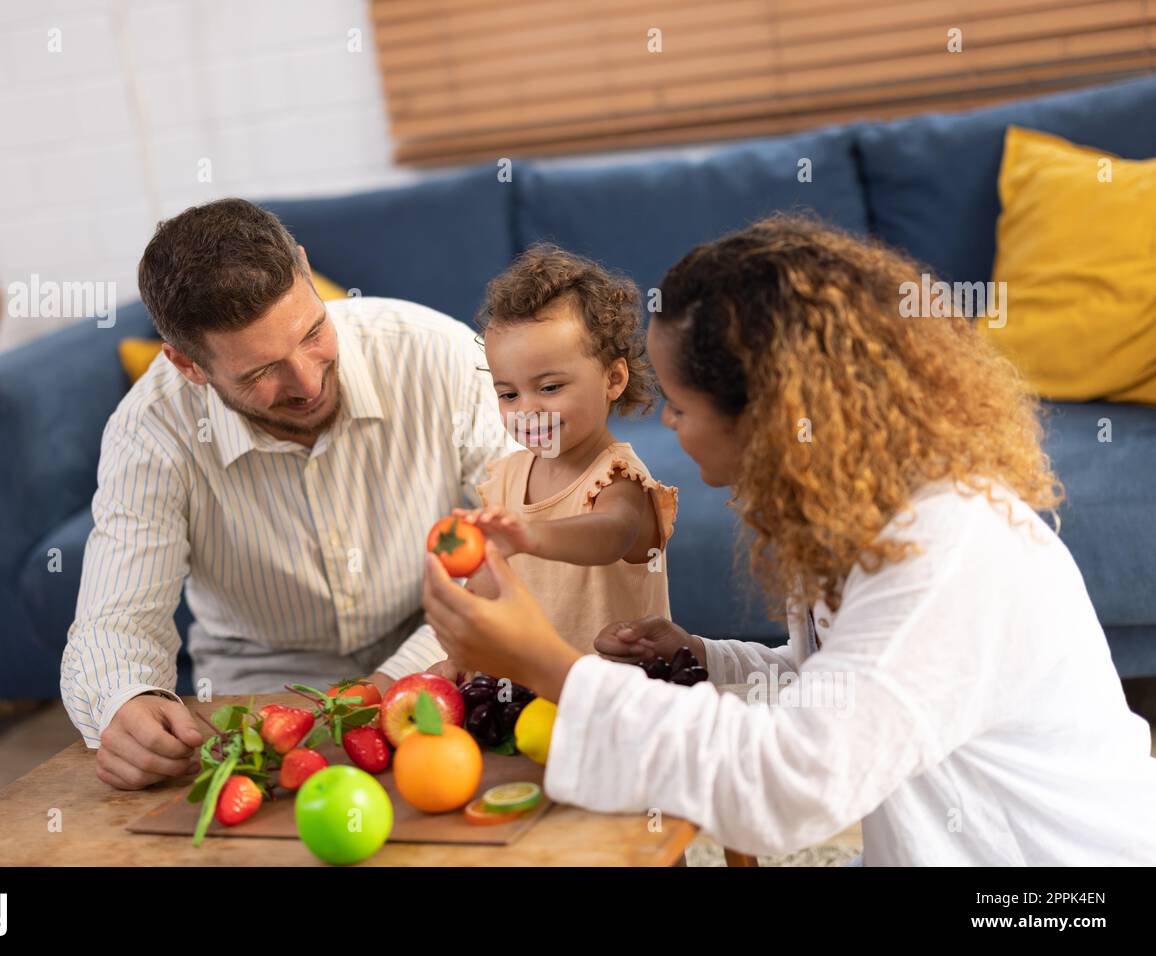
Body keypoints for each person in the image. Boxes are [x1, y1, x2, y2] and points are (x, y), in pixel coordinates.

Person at [422, 214, 1156, 864]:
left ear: (772, 417)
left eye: (679, 404)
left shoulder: (945, 555)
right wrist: (703, 657)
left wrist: (548, 666)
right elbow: (844, 686)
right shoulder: (864, 517)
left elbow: (793, 787)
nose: (668, 426)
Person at [60, 198, 517, 790]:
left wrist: (398, 677)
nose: (307, 381)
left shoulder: (438, 356)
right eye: (258, 372)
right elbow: (114, 620)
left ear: (305, 269)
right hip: (258, 689)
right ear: (186, 364)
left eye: (312, 333)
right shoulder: (149, 431)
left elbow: (518, 546)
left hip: (435, 647)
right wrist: (125, 700)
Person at [433, 245, 677, 678]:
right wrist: (460, 656)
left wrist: (527, 535)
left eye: (548, 388)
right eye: (508, 394)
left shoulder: (618, 478)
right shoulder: (508, 475)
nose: (526, 410)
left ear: (613, 379)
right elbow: (492, 580)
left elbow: (611, 536)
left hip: (614, 702)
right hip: (529, 697)